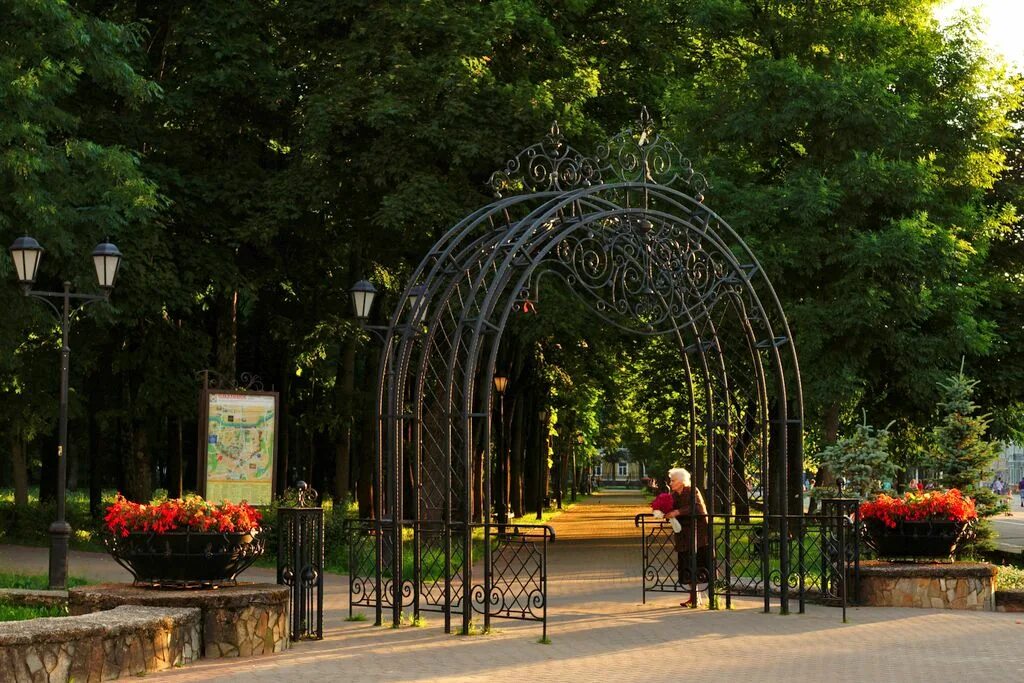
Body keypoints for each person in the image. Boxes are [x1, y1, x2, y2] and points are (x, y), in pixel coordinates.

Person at [664, 467, 709, 608]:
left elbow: (697, 508)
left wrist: (677, 512)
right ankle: (693, 596)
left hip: (696, 535)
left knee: (695, 563)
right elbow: (670, 508)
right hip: (684, 535)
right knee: (687, 565)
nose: (670, 483)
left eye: (673, 480)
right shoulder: (675, 494)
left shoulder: (692, 491)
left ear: (682, 481)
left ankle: (697, 597)